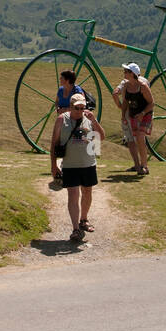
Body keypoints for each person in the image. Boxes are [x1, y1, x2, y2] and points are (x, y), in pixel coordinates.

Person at [49, 94, 105, 242]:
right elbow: (54, 143)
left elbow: (101, 137)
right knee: (73, 195)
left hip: (88, 164)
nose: (80, 111)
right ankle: (75, 229)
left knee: (87, 192)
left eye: (82, 108)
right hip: (70, 165)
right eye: (77, 108)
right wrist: (53, 165)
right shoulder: (62, 119)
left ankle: (84, 220)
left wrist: (94, 121)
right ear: (70, 106)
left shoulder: (89, 119)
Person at [113, 62, 154, 175]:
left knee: (140, 137)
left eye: (126, 71)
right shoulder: (126, 86)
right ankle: (140, 165)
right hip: (133, 115)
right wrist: (123, 116)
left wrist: (143, 113)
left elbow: (151, 103)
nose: (124, 73)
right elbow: (126, 102)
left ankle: (144, 166)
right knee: (137, 139)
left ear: (133, 74)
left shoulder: (142, 86)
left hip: (145, 114)